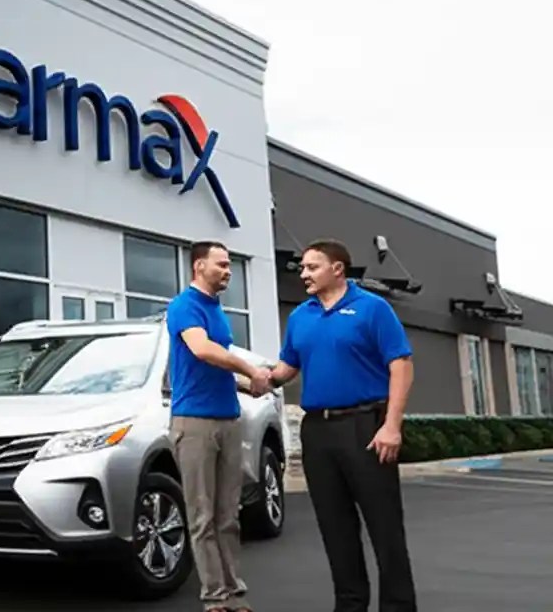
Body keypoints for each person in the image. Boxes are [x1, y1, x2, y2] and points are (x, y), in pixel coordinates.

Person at [267, 238, 417, 612]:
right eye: (302, 268)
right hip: (317, 430)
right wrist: (255, 378)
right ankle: (350, 605)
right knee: (336, 529)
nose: (303, 273)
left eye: (311, 267)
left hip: (366, 426)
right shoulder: (301, 316)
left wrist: (392, 425)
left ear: (338, 269)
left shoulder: (372, 309)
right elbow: (287, 368)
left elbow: (401, 365)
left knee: (385, 528)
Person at [166, 240, 272, 612]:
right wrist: (250, 369)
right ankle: (215, 600)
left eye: (229, 265)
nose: (228, 271)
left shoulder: (217, 310)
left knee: (229, 515)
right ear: (199, 267)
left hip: (228, 420)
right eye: (222, 264)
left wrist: (253, 385)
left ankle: (234, 594)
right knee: (203, 516)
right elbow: (203, 351)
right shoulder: (184, 307)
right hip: (194, 423)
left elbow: (216, 369)